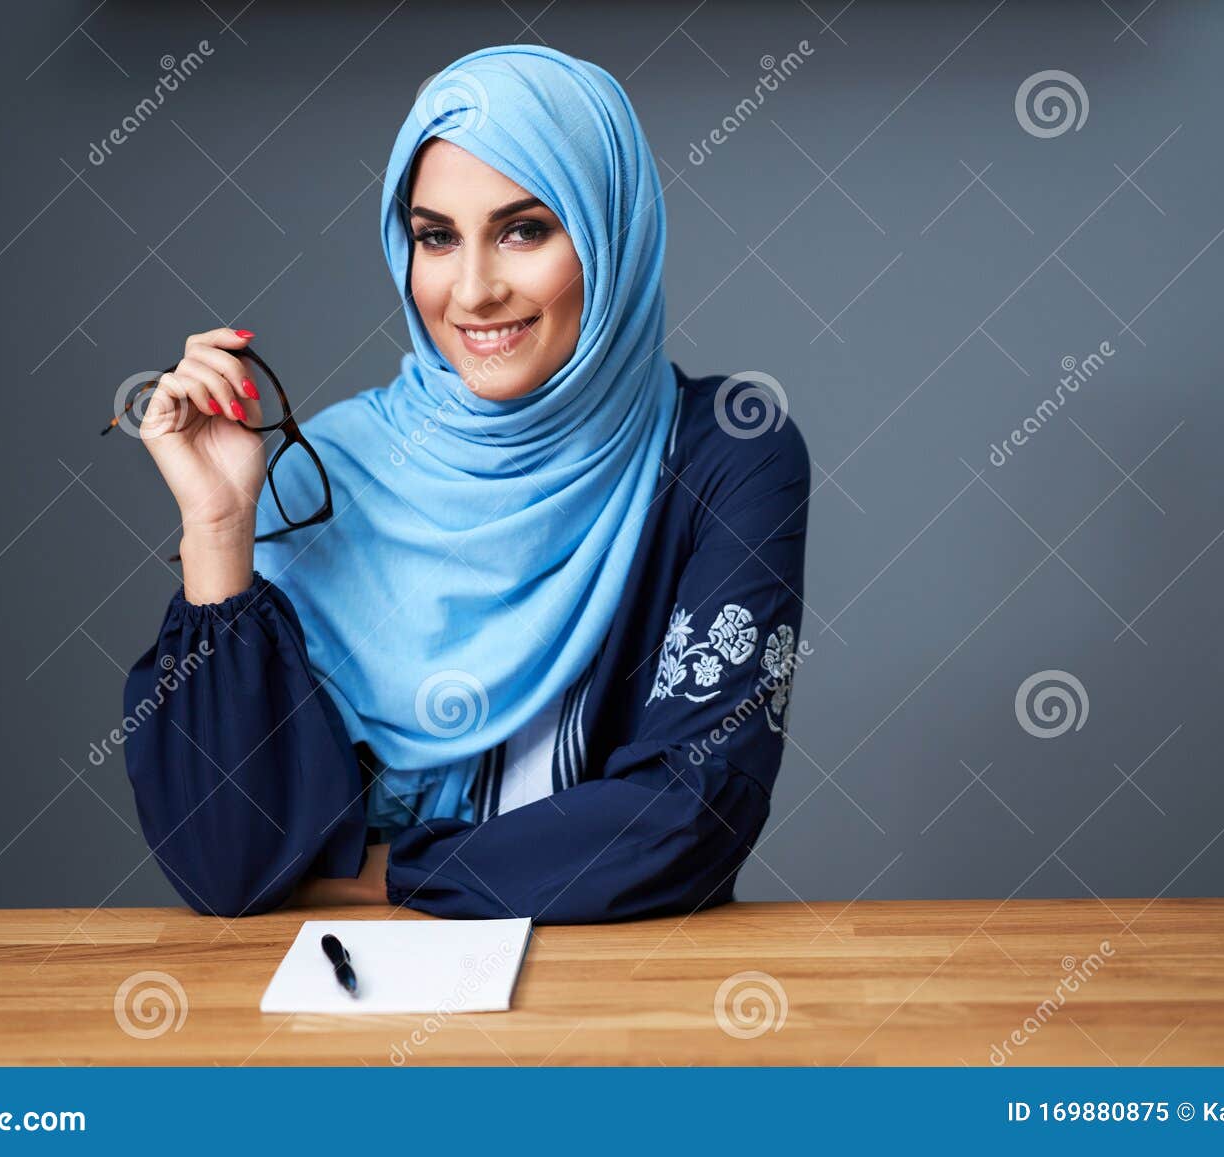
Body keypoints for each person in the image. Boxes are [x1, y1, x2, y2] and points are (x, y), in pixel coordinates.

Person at [119, 44, 809, 922]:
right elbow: (229, 864)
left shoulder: (725, 450)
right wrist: (219, 530)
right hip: (348, 1026)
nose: (475, 290)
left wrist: (380, 871)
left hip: (622, 1007)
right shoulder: (325, 472)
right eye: (436, 236)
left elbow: (688, 820)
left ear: (611, 233)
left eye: (524, 229)